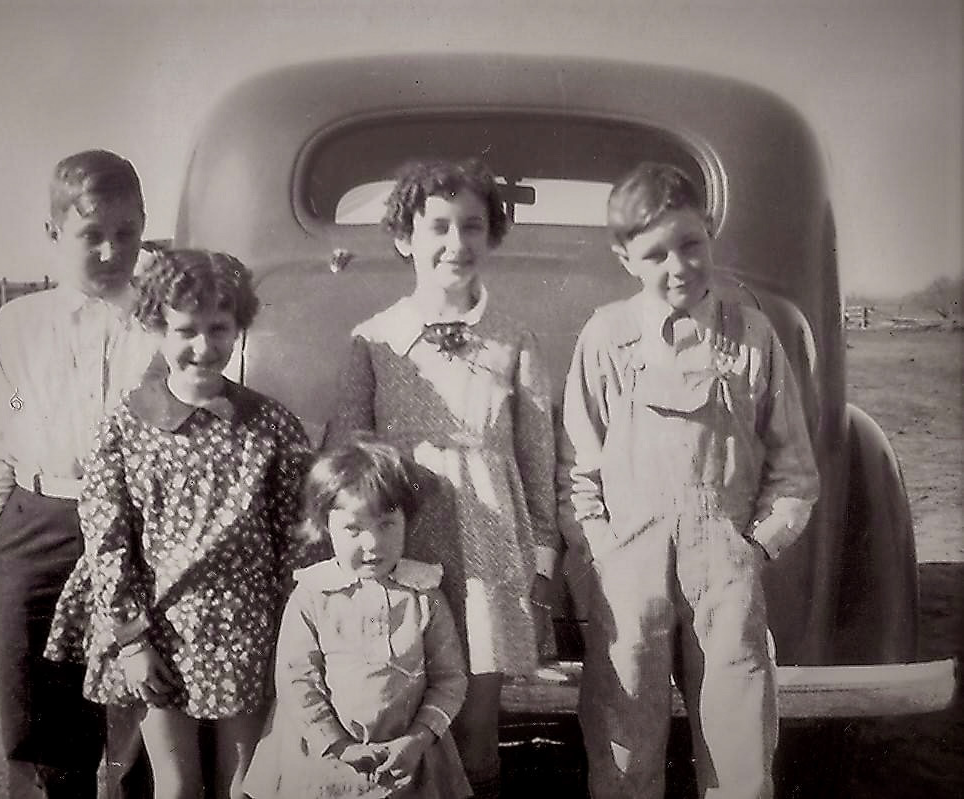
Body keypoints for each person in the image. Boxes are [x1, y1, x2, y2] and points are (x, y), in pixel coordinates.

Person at [557, 162, 821, 799]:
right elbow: (577, 470)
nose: (678, 266)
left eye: (691, 244)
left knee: (739, 743)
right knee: (624, 745)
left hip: (726, 568)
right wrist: (600, 558)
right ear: (624, 258)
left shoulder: (753, 335)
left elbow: (794, 471)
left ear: (711, 233)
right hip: (628, 575)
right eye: (655, 254)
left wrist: (755, 548)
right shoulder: (605, 339)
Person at [44, 248, 318, 799]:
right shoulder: (122, 426)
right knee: (175, 788)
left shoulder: (273, 427)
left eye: (219, 328)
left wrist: (293, 637)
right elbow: (106, 542)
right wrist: (131, 640)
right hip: (157, 633)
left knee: (243, 786)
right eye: (185, 329)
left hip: (246, 633)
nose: (203, 346)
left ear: (239, 327)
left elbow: (299, 540)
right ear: (155, 327)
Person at [325, 158, 560, 798]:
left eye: (472, 227)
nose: (455, 244)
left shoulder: (515, 341)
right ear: (406, 237)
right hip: (404, 541)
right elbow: (346, 455)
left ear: (490, 237)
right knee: (400, 705)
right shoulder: (373, 340)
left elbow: (539, 458)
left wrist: (541, 554)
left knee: (479, 720)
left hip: (490, 552)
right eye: (438, 227)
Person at [0, 149, 160, 798]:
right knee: (40, 706)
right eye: (91, 234)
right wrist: (2, 518)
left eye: (126, 233)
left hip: (138, 523)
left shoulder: (162, 324)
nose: (111, 250)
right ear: (53, 234)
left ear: (143, 226)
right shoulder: (19, 325)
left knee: (143, 694)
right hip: (40, 519)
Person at [245, 435, 472, 799]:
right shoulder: (313, 595)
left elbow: (450, 680)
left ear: (406, 522)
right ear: (325, 526)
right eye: (353, 528)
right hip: (321, 758)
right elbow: (296, 681)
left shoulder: (424, 595)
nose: (372, 544)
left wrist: (417, 739)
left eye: (386, 525)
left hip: (407, 758)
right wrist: (338, 746)